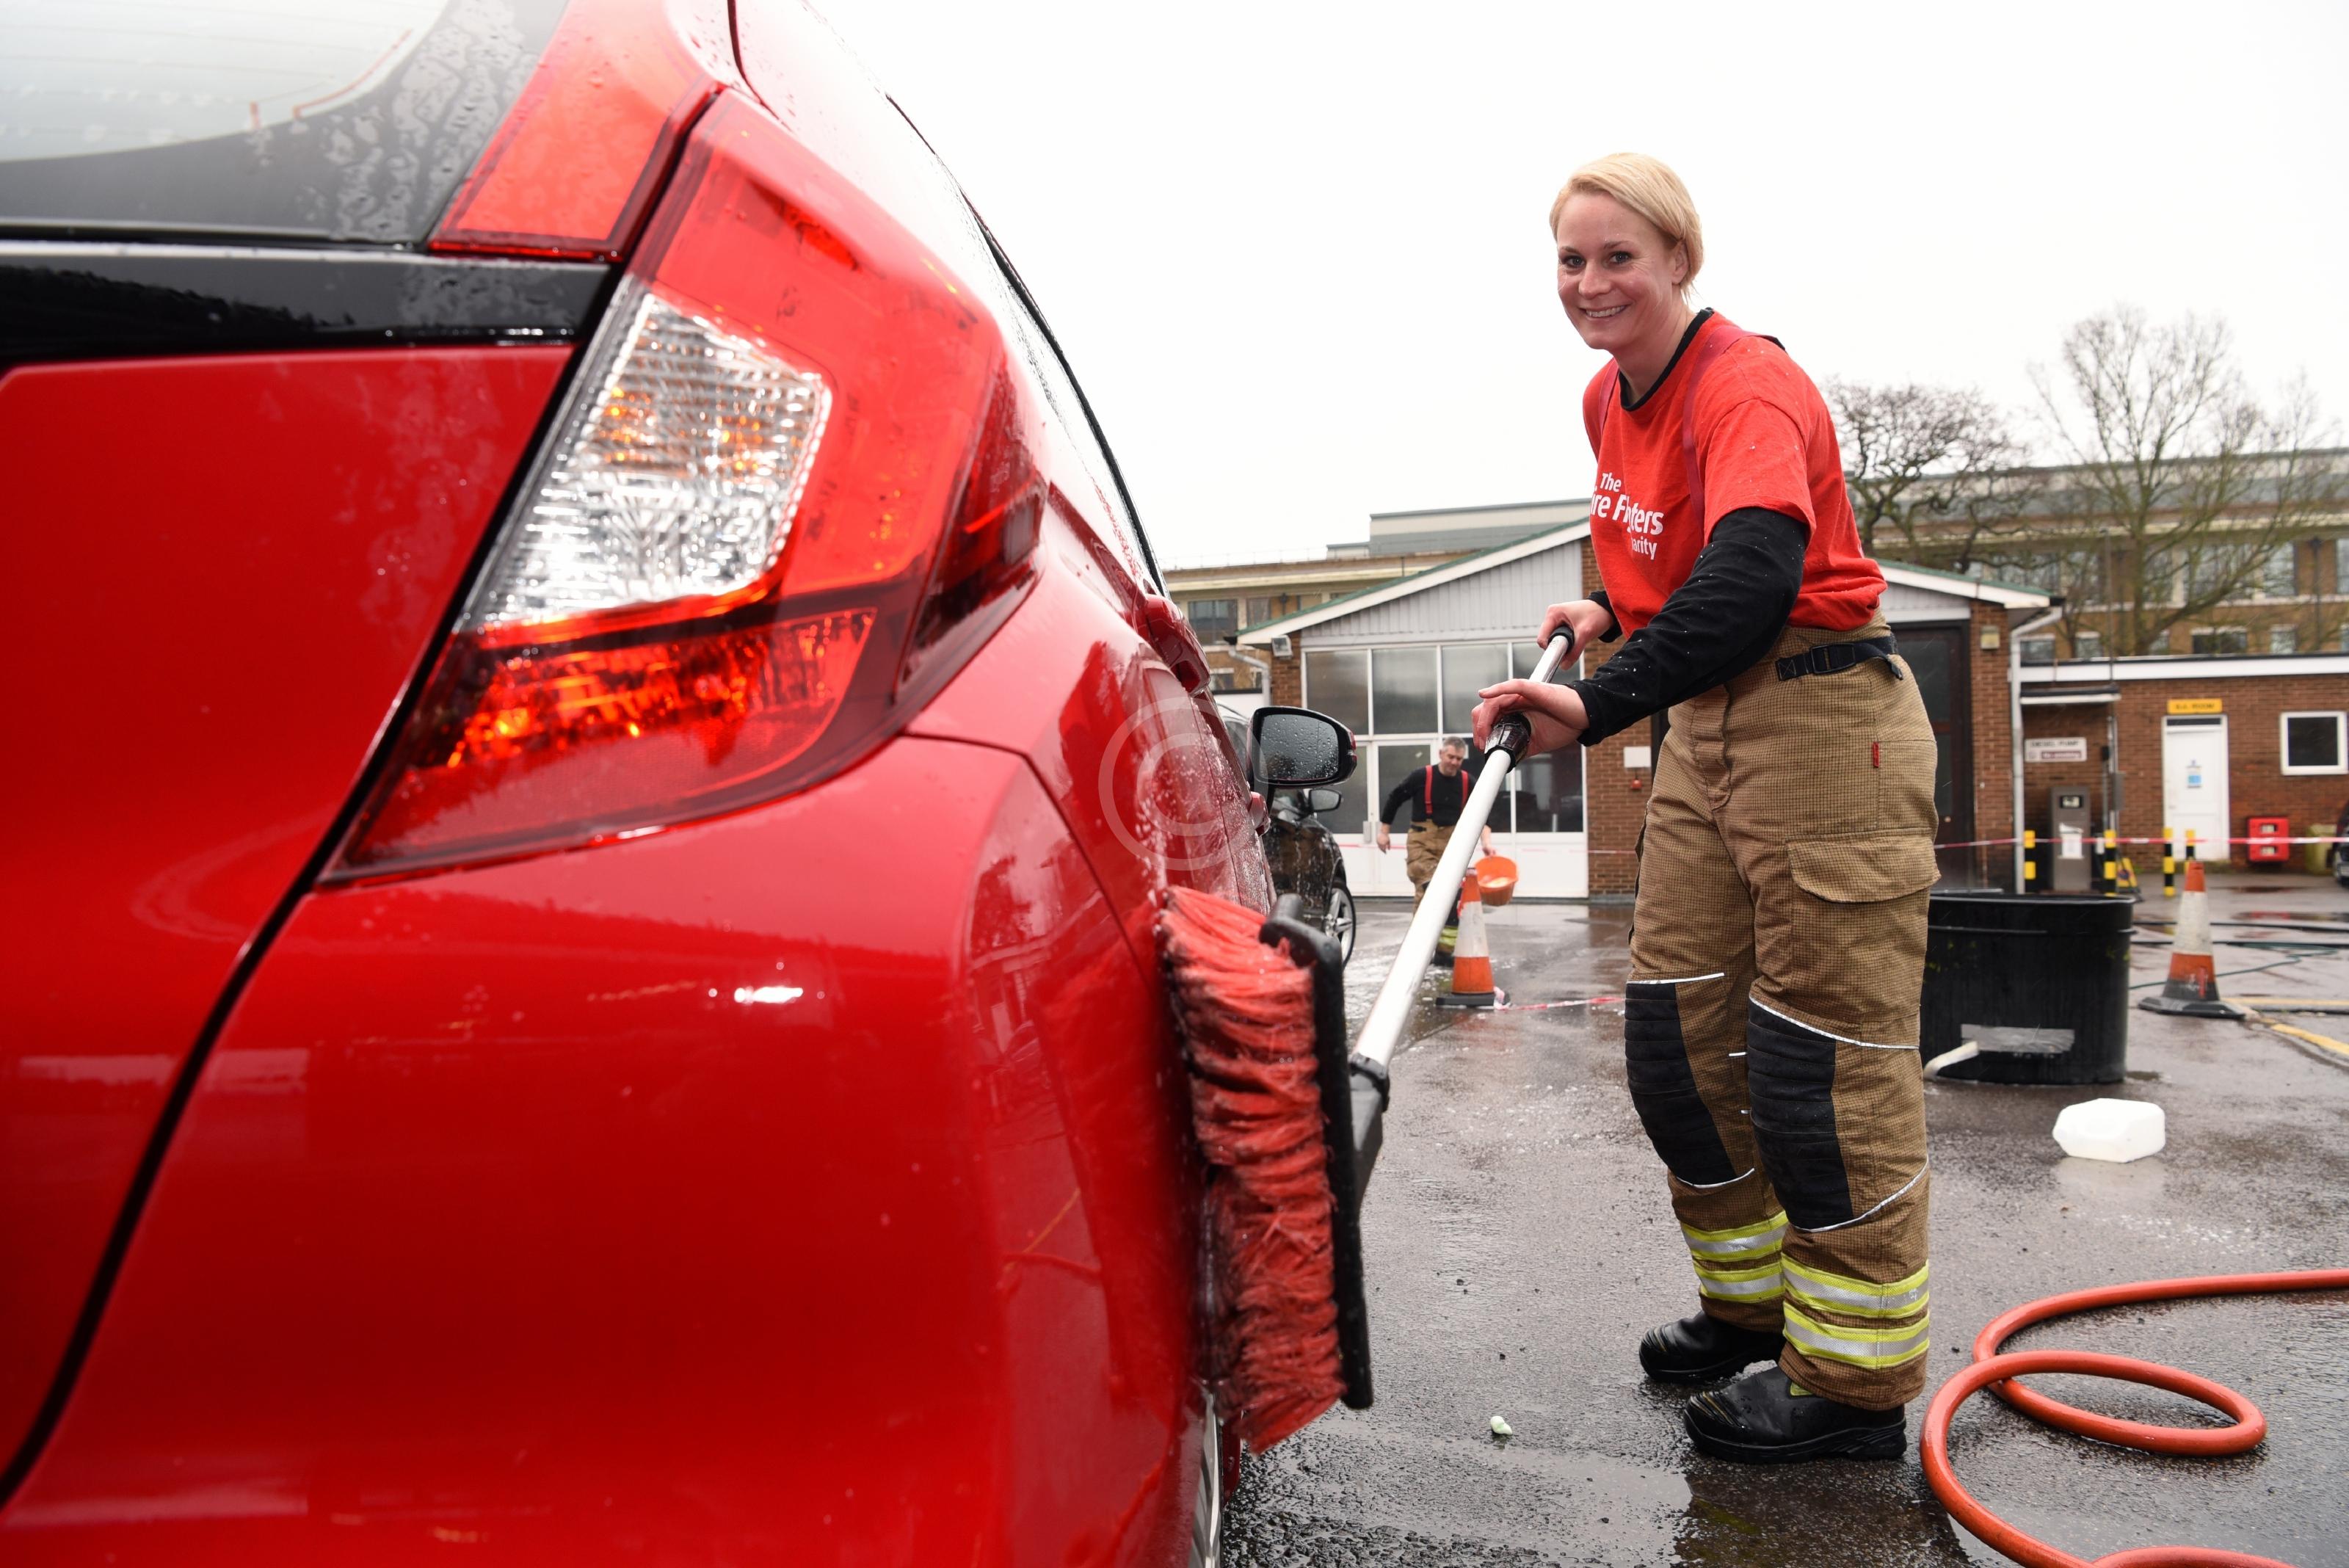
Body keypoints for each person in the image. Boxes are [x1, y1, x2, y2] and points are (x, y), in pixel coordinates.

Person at [1470, 153, 1938, 1464]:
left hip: (1821, 724)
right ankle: (1751, 1315)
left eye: (1620, 255)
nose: (1592, 282)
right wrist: (1612, 606)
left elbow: (1750, 570)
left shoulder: (1749, 383)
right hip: (1709, 732)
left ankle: (1850, 1381)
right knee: (1676, 1038)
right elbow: (1676, 554)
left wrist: (1600, 700)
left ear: (1680, 259)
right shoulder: (1605, 398)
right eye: (1571, 259)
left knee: (1817, 1055)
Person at [1375, 737, 1497, 910]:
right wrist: (1384, 832)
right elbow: (1395, 798)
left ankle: (1445, 936)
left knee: (1450, 895)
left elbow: (1483, 814)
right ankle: (1422, 936)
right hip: (1421, 843)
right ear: (1441, 754)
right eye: (1451, 757)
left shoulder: (1467, 782)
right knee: (1429, 889)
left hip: (1451, 845)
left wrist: (1486, 843)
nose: (1454, 762)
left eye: (1459, 759)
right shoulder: (1421, 777)